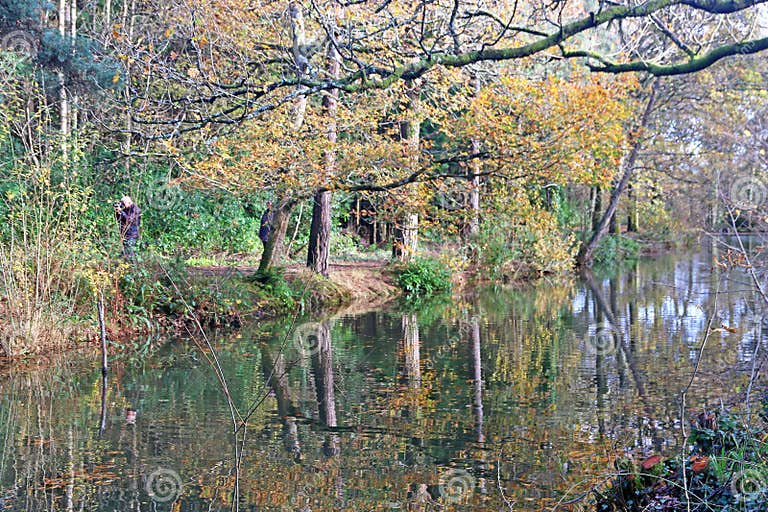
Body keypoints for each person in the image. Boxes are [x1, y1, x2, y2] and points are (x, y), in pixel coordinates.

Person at [115, 195, 141, 261]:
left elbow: (129, 220)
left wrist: (122, 212)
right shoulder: (126, 209)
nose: (122, 205)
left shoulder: (135, 210)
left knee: (130, 252)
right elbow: (118, 220)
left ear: (128, 202)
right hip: (124, 234)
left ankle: (133, 268)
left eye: (123, 203)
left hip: (132, 234)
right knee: (124, 253)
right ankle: (126, 267)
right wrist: (117, 212)